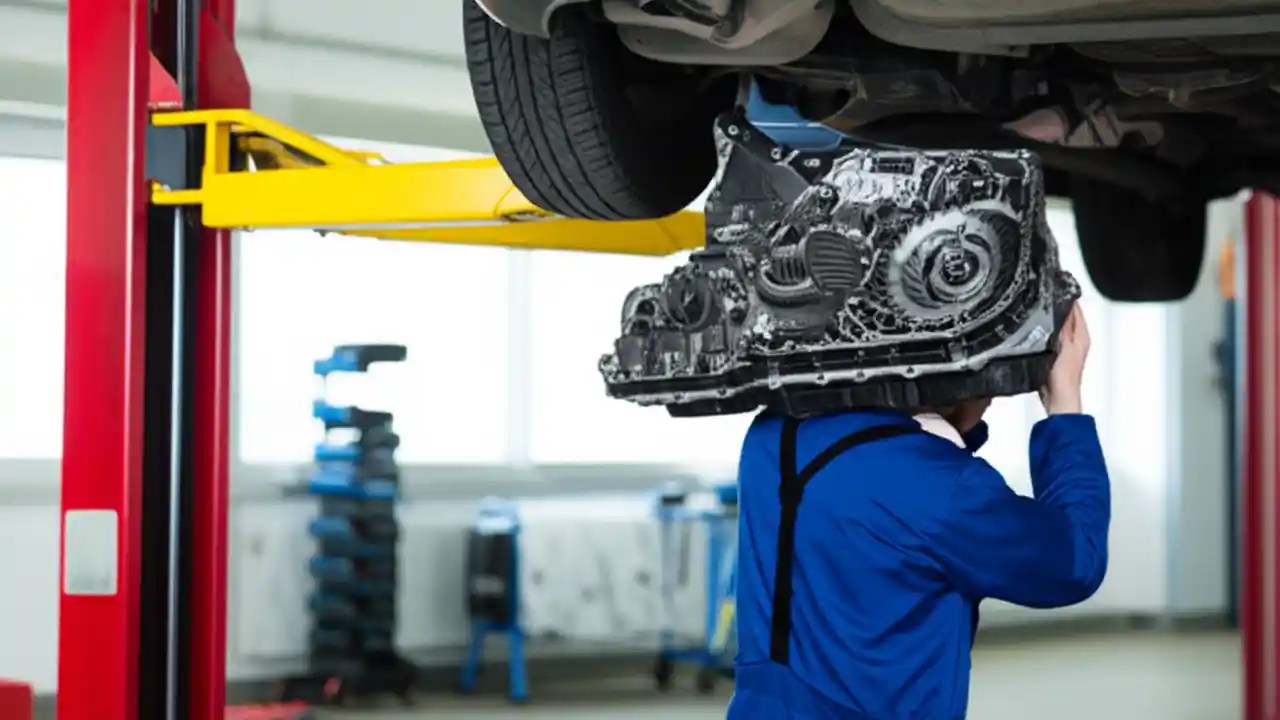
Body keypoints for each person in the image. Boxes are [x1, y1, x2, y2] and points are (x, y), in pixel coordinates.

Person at [726, 302, 1110, 719]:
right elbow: (1074, 561)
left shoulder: (770, 437)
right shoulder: (944, 489)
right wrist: (1065, 406)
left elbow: (890, 478)